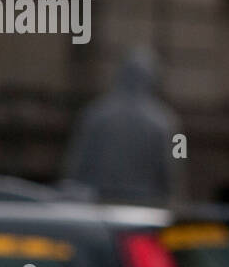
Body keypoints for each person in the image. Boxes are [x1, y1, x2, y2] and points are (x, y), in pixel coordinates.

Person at [61, 46, 183, 205]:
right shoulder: (164, 122)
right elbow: (170, 175)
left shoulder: (96, 114)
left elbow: (75, 167)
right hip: (144, 208)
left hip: (98, 206)